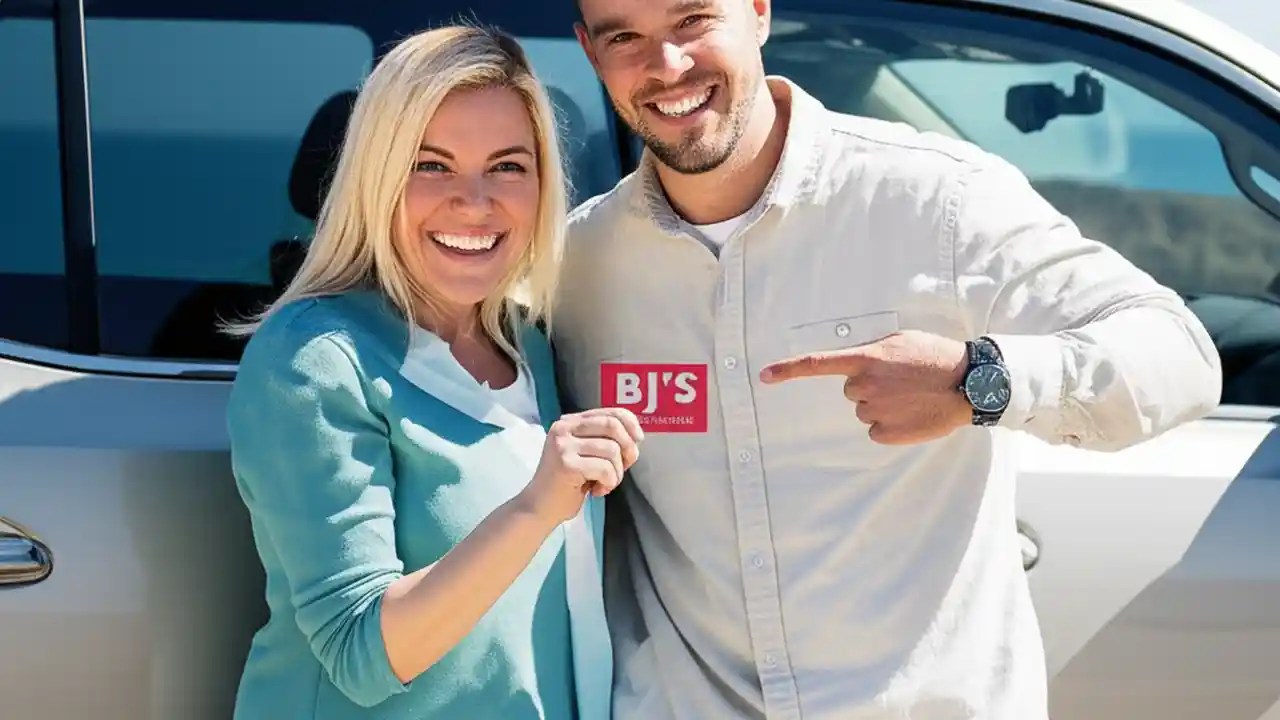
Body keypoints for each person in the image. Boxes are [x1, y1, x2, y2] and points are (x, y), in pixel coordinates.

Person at [550, 1, 1223, 718]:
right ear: (591, 53)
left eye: (693, 20)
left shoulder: (935, 199)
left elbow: (1178, 354)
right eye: (627, 36)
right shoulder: (578, 267)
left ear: (757, 13)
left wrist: (977, 381)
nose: (668, 65)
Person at [223, 24, 642, 720]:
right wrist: (535, 507)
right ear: (377, 178)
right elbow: (360, 652)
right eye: (431, 165)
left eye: (508, 166)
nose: (474, 202)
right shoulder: (314, 359)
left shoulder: (529, 343)